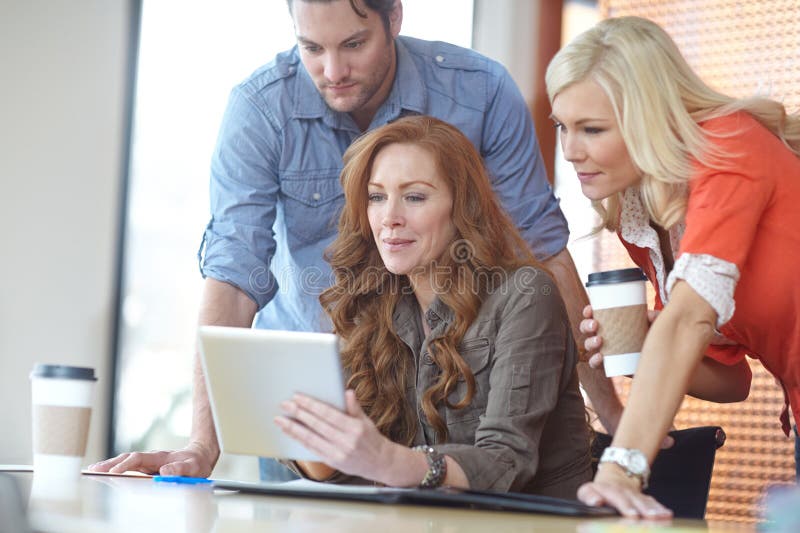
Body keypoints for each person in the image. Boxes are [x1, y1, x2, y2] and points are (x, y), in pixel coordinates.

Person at [90, 0, 619, 479]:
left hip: (458, 411)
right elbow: (233, 272)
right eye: (311, 49)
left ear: (394, 19)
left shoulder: (479, 92)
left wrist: (618, 424)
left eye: (353, 45)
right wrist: (204, 445)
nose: (332, 71)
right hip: (350, 382)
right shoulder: (261, 109)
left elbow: (543, 248)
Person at [545, 15, 800, 517]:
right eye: (562, 126)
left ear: (650, 118)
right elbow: (732, 381)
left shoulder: (729, 146)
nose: (570, 151)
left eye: (591, 129)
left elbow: (687, 321)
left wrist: (621, 468)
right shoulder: (646, 218)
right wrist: (639, 337)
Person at [274, 115, 593, 495]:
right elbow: (353, 468)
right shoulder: (374, 303)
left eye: (414, 197)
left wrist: (387, 460)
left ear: (462, 208)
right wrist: (319, 443)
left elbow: (507, 462)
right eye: (376, 197)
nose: (389, 218)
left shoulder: (525, 295)